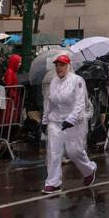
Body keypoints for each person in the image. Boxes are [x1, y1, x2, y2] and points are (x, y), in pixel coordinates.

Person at [41, 54, 97, 193]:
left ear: (69, 66)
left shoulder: (77, 81)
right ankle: (53, 182)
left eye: (62, 65)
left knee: (74, 152)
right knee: (54, 152)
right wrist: (45, 120)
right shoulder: (53, 82)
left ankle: (89, 170)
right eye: (57, 65)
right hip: (56, 121)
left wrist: (70, 120)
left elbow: (80, 103)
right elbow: (49, 102)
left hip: (75, 122)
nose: (59, 68)